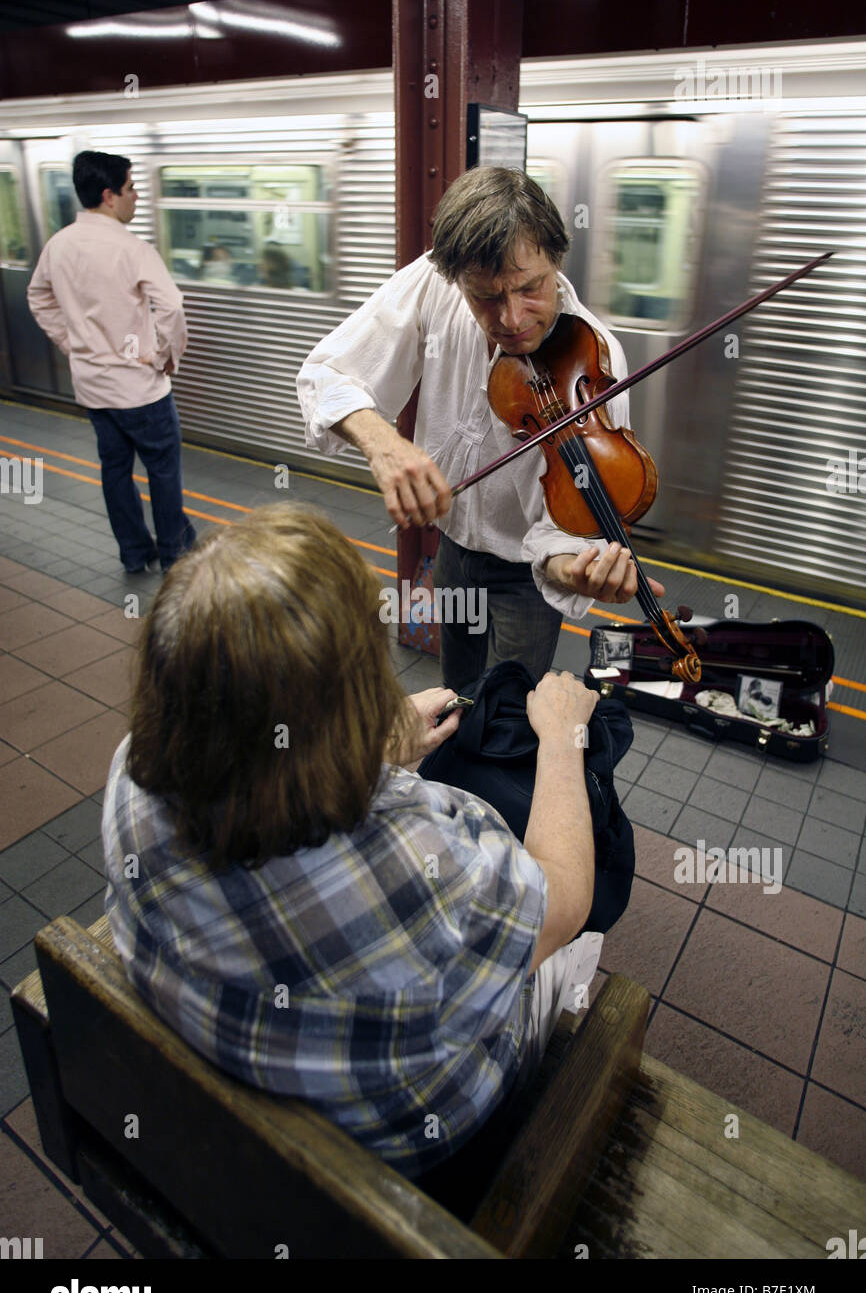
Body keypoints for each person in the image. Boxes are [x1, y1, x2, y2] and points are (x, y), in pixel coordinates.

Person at [102, 503, 601, 1180]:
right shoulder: (427, 863)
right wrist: (564, 739)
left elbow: (253, 745)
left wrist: (377, 739)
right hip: (414, 1150)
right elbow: (564, 899)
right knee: (585, 940)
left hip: (216, 1089)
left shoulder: (134, 777)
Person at [297, 165, 666, 691]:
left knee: (506, 713)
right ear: (456, 281)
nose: (512, 318)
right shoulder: (434, 280)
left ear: (555, 259)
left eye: (530, 289)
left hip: (526, 578)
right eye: (486, 298)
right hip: (451, 551)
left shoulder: (598, 360)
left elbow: (563, 529)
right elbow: (327, 372)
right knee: (455, 690)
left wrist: (572, 571)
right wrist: (382, 443)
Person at [27, 150, 196, 574]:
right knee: (163, 472)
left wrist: (71, 344)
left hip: (93, 388)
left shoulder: (58, 244)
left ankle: (136, 554)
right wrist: (165, 355)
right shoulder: (132, 248)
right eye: (131, 189)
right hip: (140, 388)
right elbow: (172, 307)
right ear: (108, 195)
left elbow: (38, 297)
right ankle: (175, 554)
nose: (136, 197)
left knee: (115, 471)